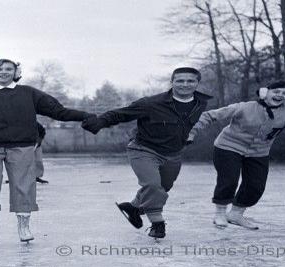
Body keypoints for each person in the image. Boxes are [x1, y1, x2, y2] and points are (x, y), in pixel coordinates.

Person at [0, 58, 96, 243]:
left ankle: (24, 227)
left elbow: (58, 111)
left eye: (8, 69)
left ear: (16, 72)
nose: (4, 72)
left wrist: (85, 115)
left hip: (22, 145)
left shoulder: (29, 93)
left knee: (24, 186)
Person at [83, 67, 212, 239]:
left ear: (197, 83)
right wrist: (100, 122)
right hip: (144, 149)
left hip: (173, 153)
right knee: (152, 185)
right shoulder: (152, 103)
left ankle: (133, 208)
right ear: (172, 82)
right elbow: (122, 114)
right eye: (180, 80)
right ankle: (157, 223)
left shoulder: (200, 103)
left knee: (163, 187)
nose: (185, 84)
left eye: (190, 81)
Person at [187, 80, 285, 230]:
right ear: (265, 93)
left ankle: (235, 214)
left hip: (259, 152)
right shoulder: (245, 107)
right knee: (229, 180)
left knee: (256, 186)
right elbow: (209, 116)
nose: (280, 95)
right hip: (228, 146)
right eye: (276, 92)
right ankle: (220, 213)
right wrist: (191, 131)